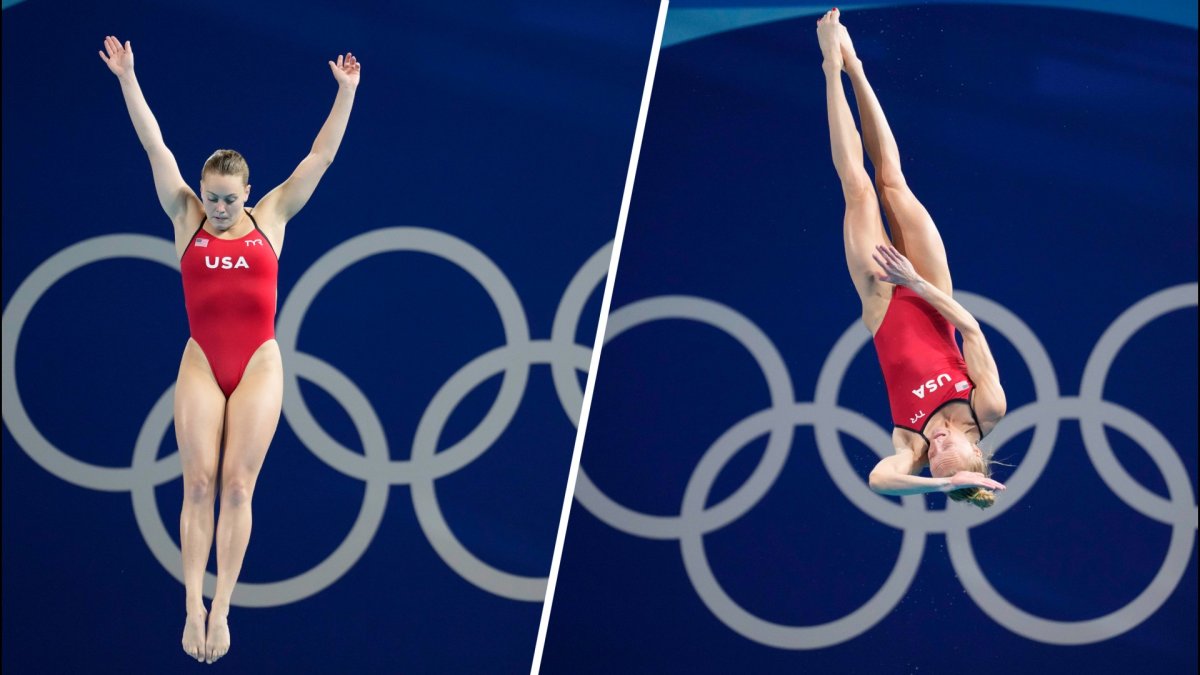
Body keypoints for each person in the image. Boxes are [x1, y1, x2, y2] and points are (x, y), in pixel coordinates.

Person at [99, 35, 361, 662]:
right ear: (201, 189)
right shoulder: (185, 216)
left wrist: (346, 93)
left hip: (259, 362)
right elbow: (155, 146)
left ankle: (222, 610)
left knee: (238, 487)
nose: (218, 208)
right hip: (201, 360)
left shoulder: (272, 218)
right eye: (211, 196)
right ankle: (192, 606)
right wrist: (128, 78)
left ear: (247, 192)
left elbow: (321, 157)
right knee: (198, 483)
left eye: (229, 199)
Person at [814, 10, 1007, 507]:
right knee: (892, 181)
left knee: (857, 189)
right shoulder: (988, 408)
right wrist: (918, 283)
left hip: (882, 306)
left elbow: (879, 480)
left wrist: (942, 483)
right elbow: (972, 330)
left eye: (934, 454)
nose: (937, 442)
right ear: (976, 450)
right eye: (949, 448)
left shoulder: (912, 446)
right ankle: (856, 65)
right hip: (929, 291)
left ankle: (830, 66)